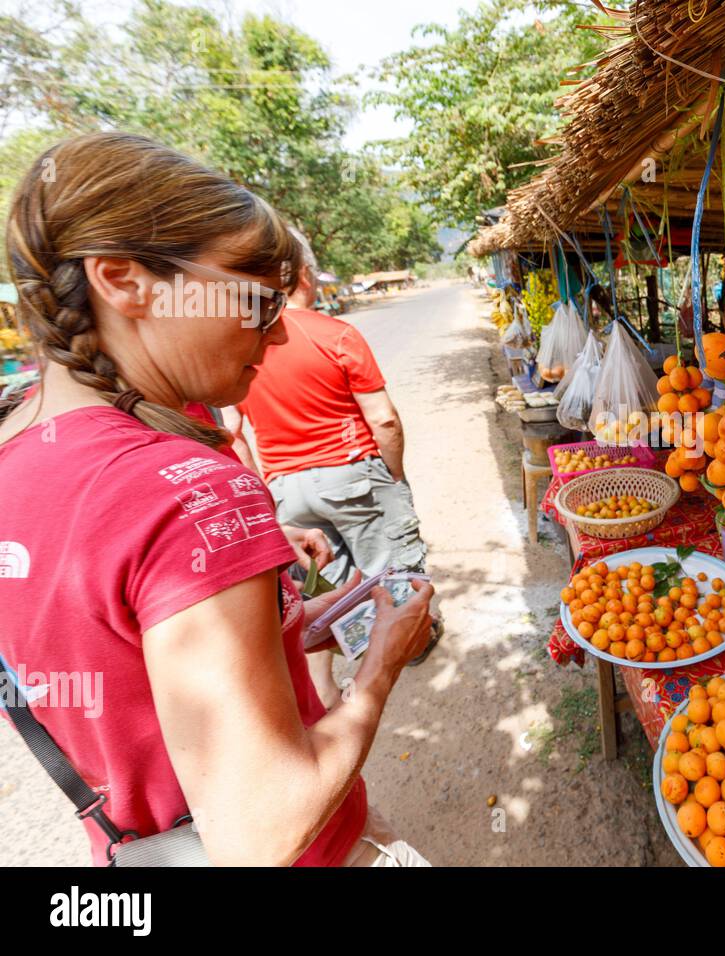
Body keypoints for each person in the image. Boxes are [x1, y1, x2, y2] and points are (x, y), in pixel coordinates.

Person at [0, 132, 432, 866]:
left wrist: (292, 619)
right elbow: (263, 830)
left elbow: (127, 666)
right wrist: (380, 666)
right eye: (259, 302)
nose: (275, 332)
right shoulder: (186, 489)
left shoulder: (18, 445)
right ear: (121, 280)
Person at [223, 229, 434, 707]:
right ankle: (406, 647)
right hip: (351, 476)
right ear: (303, 275)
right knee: (389, 570)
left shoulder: (243, 344)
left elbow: (234, 431)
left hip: (285, 489)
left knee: (327, 586)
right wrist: (393, 474)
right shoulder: (336, 333)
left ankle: (325, 689)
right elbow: (384, 419)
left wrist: (266, 493)